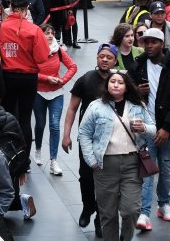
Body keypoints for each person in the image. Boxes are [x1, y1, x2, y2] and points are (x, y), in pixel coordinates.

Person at [77, 71, 155, 241]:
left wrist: (144, 128)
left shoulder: (137, 106)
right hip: (105, 165)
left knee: (131, 210)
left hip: (132, 163)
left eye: (120, 82)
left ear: (126, 87)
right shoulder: (96, 106)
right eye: (112, 81)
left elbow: (153, 129)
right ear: (107, 85)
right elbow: (83, 133)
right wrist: (91, 160)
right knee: (108, 213)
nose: (116, 85)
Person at [127, 28, 170, 230]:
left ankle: (164, 204)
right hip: (145, 128)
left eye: (154, 42)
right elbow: (124, 92)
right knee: (147, 169)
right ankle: (144, 213)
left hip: (168, 129)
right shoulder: (138, 65)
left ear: (162, 44)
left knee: (166, 167)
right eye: (146, 42)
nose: (149, 46)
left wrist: (167, 128)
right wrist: (136, 90)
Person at [61, 43, 119, 236]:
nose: (104, 59)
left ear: (115, 61)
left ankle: (100, 219)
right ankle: (88, 207)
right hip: (87, 139)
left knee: (106, 181)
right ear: (96, 58)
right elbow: (72, 108)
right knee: (86, 177)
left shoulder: (117, 82)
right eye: (101, 56)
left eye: (108, 57)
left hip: (111, 140)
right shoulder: (85, 80)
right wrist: (66, 135)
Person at [0, 0, 48, 153]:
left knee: (8, 115)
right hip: (28, 77)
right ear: (27, 9)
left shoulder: (0, 26)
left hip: (7, 76)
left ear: (10, 7)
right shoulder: (34, 30)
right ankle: (24, 157)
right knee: (25, 118)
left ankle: (6, 152)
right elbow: (42, 58)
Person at [32, 24, 76, 175]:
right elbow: (30, 72)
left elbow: (73, 67)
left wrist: (63, 80)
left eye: (52, 33)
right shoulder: (34, 50)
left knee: (55, 126)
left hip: (56, 93)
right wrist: (46, 79)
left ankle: (53, 161)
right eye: (47, 33)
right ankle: (37, 150)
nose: (50, 35)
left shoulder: (59, 51)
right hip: (38, 92)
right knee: (40, 124)